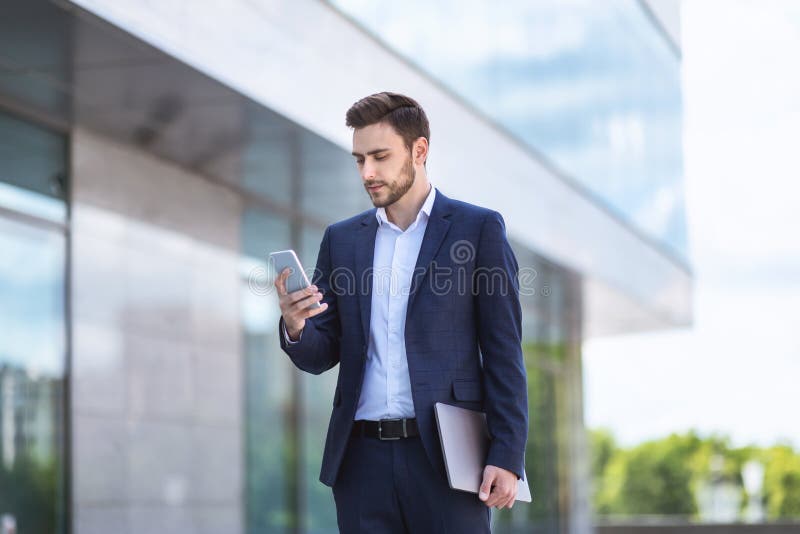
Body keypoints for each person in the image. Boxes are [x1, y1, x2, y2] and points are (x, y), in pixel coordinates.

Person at [275, 92, 528, 533]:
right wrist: (296, 326)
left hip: (449, 462)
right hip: (361, 464)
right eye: (359, 160)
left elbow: (504, 352)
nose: (367, 172)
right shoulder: (343, 240)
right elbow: (322, 352)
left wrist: (506, 454)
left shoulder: (478, 229)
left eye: (379, 156)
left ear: (419, 150)